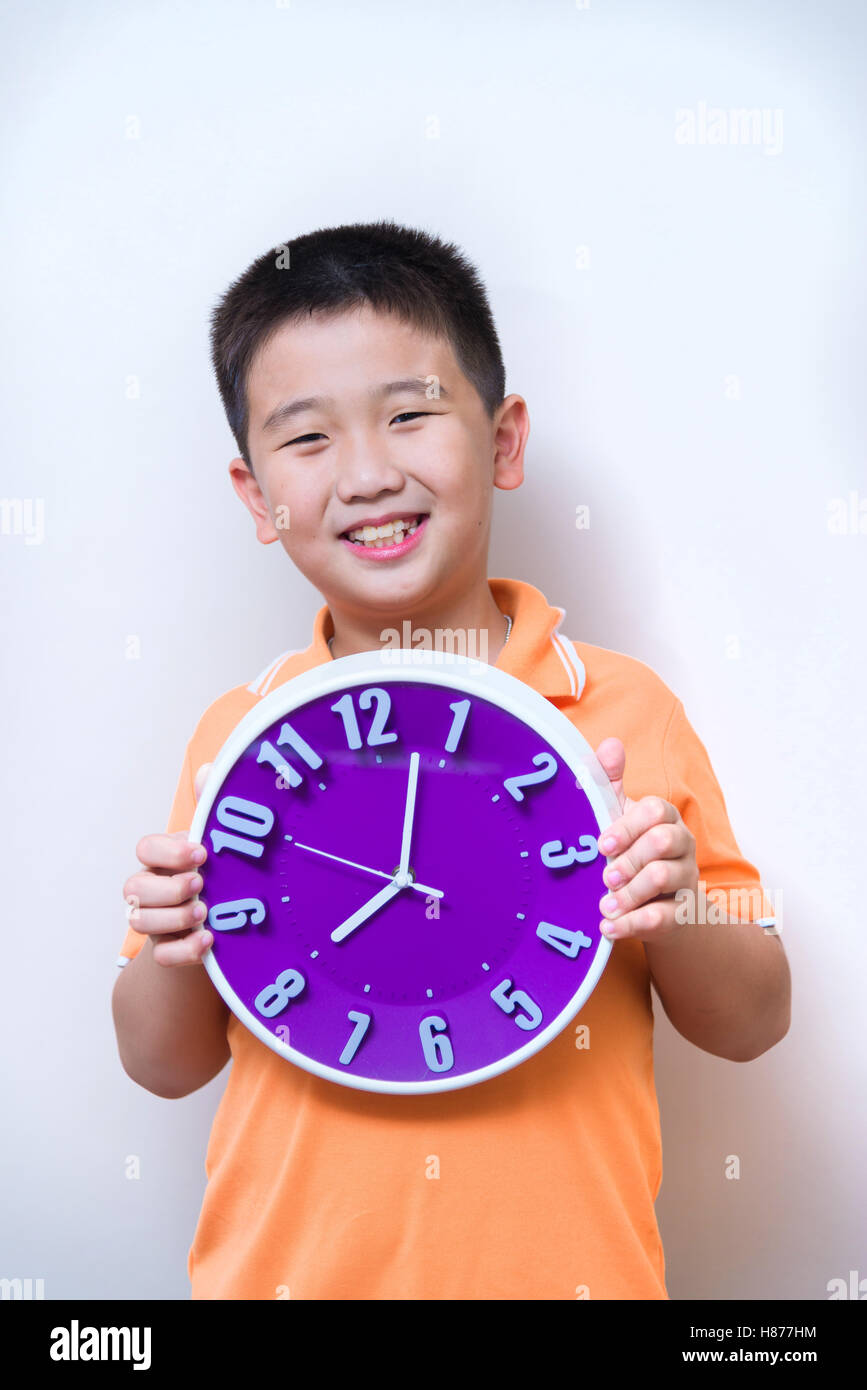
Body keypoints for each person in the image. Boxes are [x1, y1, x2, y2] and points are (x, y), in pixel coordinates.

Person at [111, 219, 790, 1300]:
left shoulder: (617, 708)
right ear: (256, 497)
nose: (368, 473)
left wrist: (677, 899)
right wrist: (169, 940)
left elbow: (753, 1020)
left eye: (411, 415)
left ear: (504, 442)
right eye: (308, 438)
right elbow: (162, 1062)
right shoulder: (241, 737)